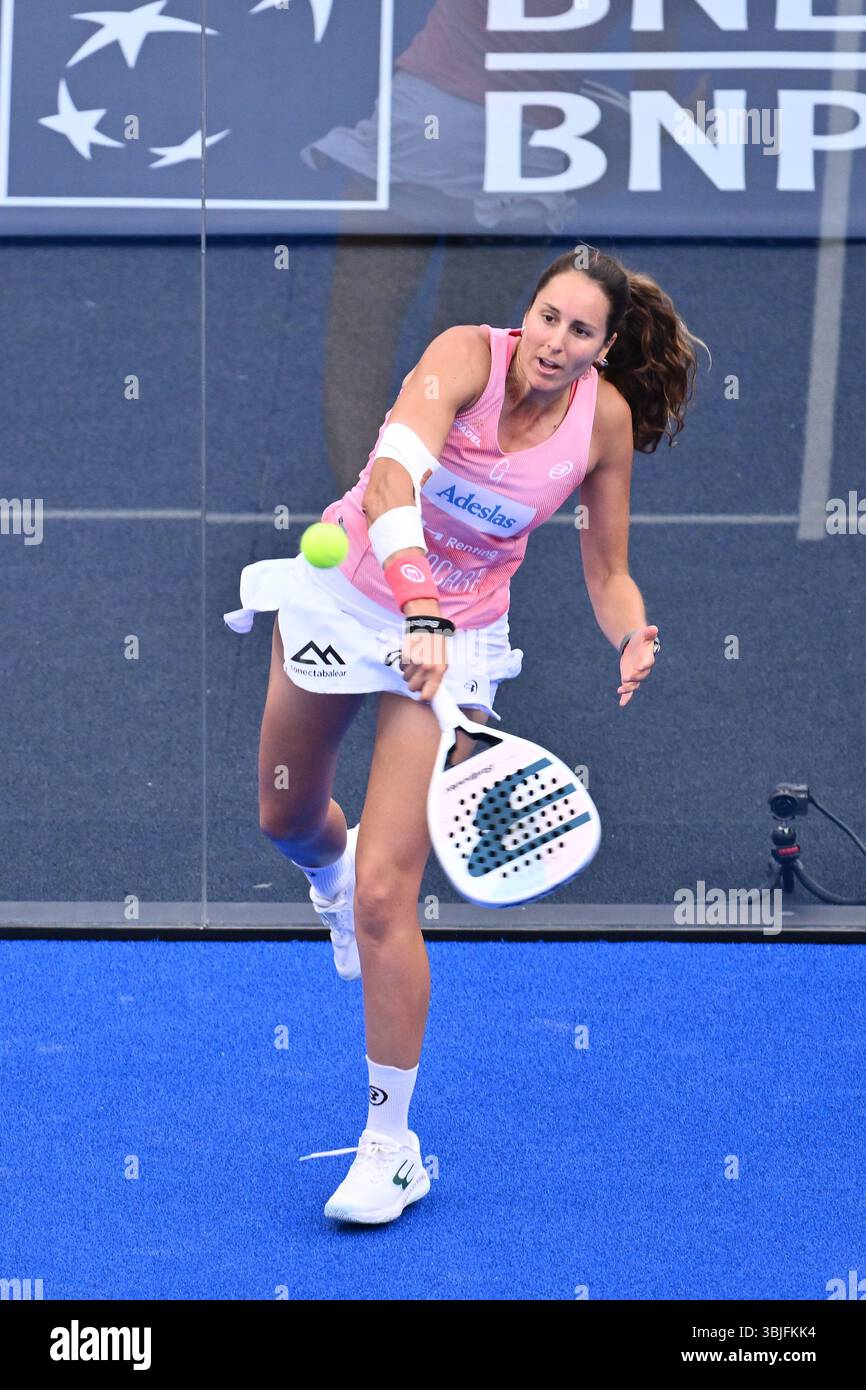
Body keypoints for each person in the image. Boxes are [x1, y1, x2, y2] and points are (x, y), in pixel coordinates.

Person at [224, 244, 705, 1224]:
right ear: (522, 316)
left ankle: (388, 1145)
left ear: (603, 347)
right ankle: (329, 867)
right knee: (282, 814)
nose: (554, 341)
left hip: (459, 647)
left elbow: (606, 568)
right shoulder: (463, 356)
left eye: (578, 331)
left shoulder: (599, 422)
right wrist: (414, 605)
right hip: (350, 598)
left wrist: (628, 631)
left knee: (390, 895)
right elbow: (392, 476)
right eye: (545, 318)